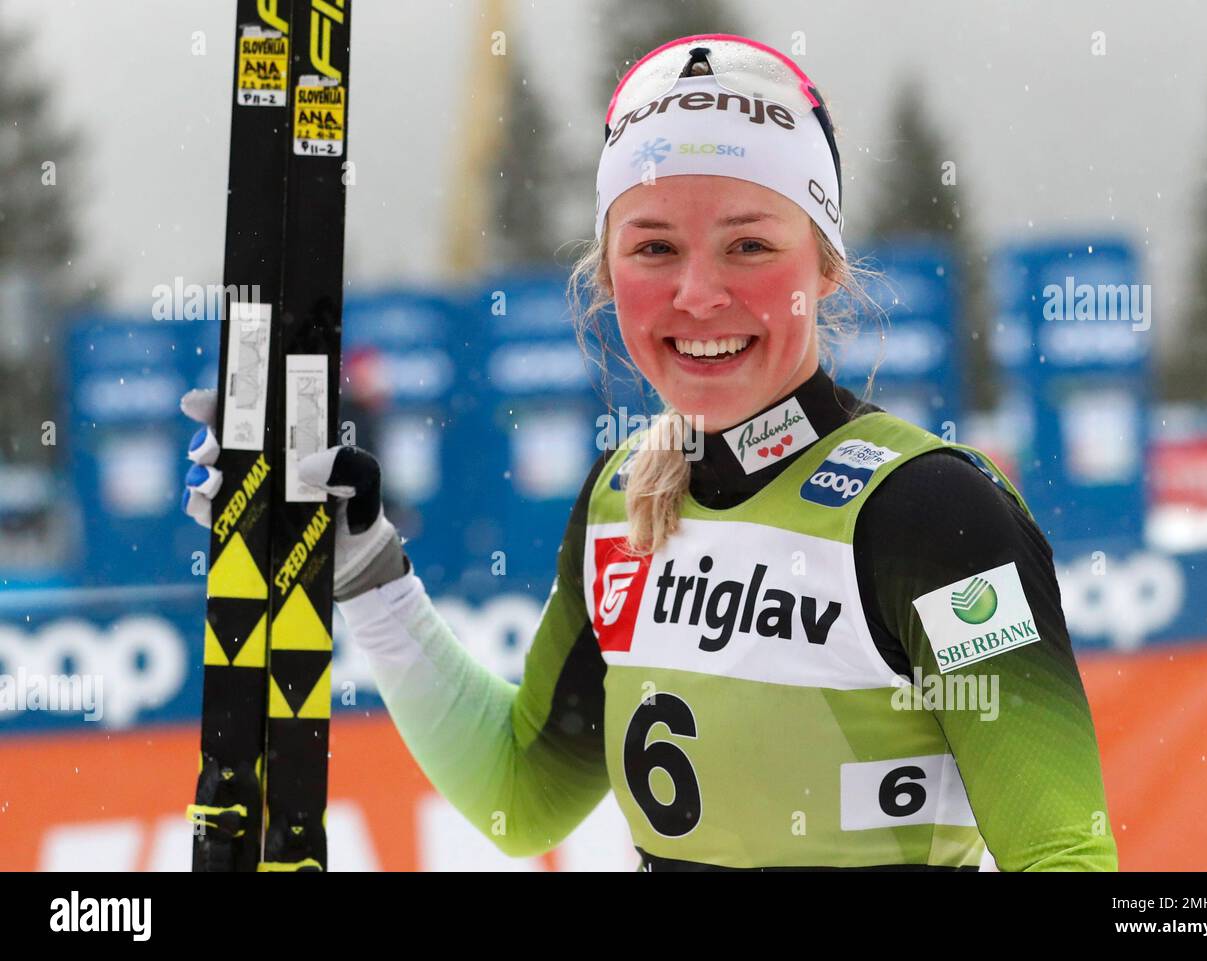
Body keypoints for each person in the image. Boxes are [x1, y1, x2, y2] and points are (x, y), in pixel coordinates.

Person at [182, 34, 1117, 871]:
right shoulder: (619, 500)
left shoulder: (932, 515)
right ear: (605, 272)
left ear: (825, 264)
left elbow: (1064, 855)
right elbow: (522, 796)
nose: (698, 294)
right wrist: (367, 573)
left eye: (749, 245)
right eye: (655, 248)